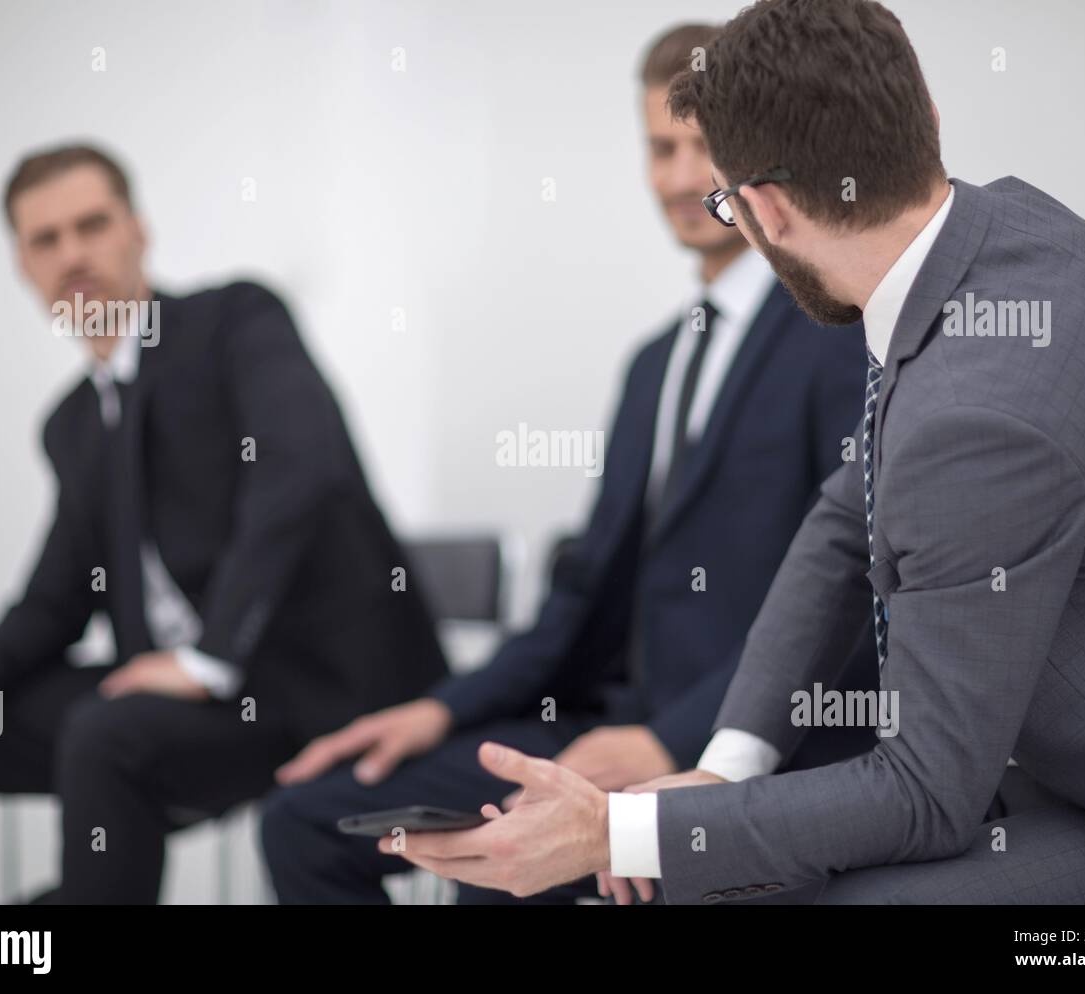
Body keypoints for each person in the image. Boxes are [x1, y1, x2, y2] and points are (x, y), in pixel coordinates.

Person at [384, 0, 1085, 906]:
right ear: (922, 120)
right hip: (1047, 757)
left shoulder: (975, 415)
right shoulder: (1001, 240)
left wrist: (616, 831)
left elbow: (926, 793)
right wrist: (727, 766)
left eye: (724, 198)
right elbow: (845, 521)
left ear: (764, 208)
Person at [260, 22, 875, 904]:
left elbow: (853, 594)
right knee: (304, 821)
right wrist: (442, 707)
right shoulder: (654, 365)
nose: (674, 177)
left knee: (501, 865)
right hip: (608, 725)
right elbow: (584, 595)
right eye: (660, 147)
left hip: (746, 747)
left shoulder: (834, 335)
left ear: (758, 154)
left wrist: (671, 743)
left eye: (702, 147)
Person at [0, 144, 447, 903]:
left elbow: (298, 473)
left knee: (105, 732)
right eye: (45, 240)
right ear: (22, 266)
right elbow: (55, 602)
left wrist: (210, 657)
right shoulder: (72, 424)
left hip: (310, 695)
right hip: (181, 706)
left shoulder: (235, 322)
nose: (73, 254)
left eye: (91, 225)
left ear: (138, 232)